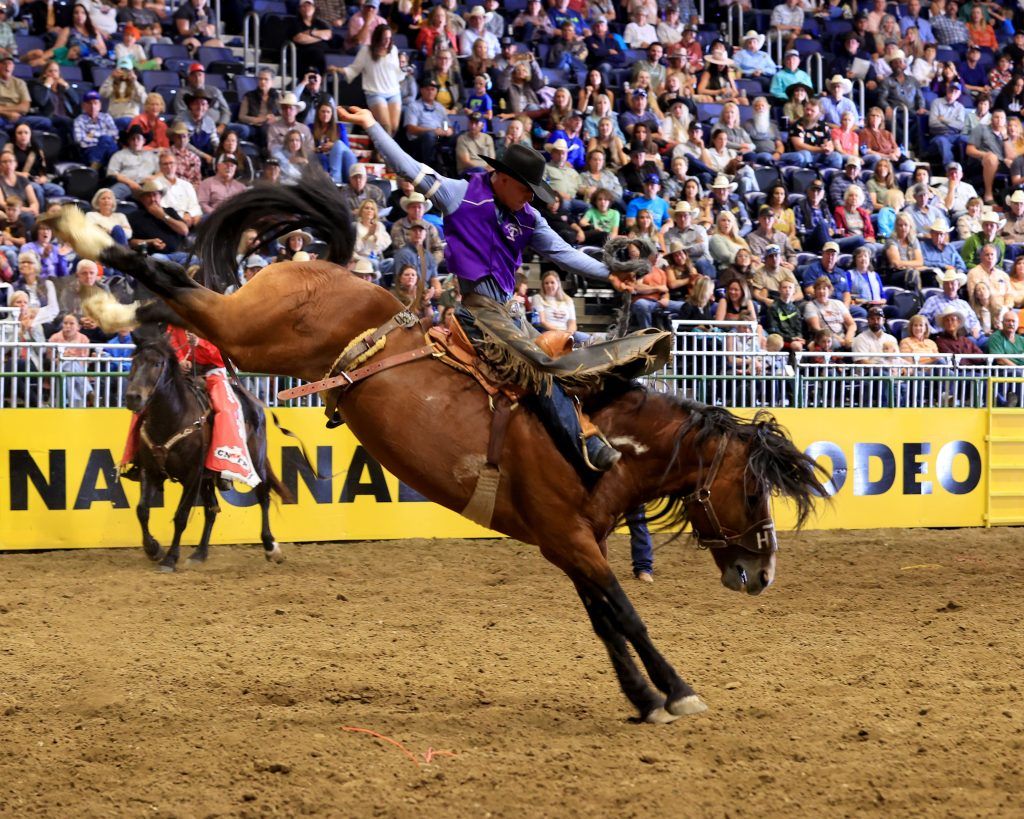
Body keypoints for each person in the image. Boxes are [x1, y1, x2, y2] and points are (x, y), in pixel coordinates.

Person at [341, 104, 663, 472]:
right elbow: (408, 166)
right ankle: (583, 439)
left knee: (562, 352)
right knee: (536, 363)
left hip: (509, 310)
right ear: (504, 178)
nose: (532, 198)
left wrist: (609, 275)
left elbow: (563, 252)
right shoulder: (458, 194)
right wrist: (371, 125)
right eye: (529, 189)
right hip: (479, 310)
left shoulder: (529, 217)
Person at [121, 323, 259, 488]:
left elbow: (221, 357)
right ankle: (138, 460)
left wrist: (199, 343)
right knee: (144, 407)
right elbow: (170, 346)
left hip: (212, 373)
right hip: (182, 374)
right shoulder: (174, 323)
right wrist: (179, 360)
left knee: (226, 409)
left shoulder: (213, 323)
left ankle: (225, 466)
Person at [341, 24, 403, 135]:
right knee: (386, 127)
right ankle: (382, 152)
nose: (387, 41)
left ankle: (381, 152)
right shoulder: (366, 51)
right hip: (375, 93)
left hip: (394, 92)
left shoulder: (393, 50)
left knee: (394, 127)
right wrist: (339, 70)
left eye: (389, 38)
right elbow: (354, 69)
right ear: (377, 38)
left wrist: (405, 70)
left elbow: (397, 72)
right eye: (384, 38)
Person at [532, 270, 588, 345]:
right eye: (546, 283)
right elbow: (542, 322)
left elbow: (572, 323)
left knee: (590, 339)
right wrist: (561, 333)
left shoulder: (568, 300)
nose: (549, 285)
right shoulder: (538, 298)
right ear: (543, 285)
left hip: (567, 333)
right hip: (548, 332)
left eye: (552, 282)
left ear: (558, 284)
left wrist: (569, 333)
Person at [804, 276, 857, 350]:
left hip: (843, 335)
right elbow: (817, 328)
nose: (821, 291)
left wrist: (848, 337)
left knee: (858, 343)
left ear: (829, 290)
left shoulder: (838, 303)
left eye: (824, 288)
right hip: (825, 338)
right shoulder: (811, 306)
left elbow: (852, 324)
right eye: (818, 289)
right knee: (833, 343)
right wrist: (836, 338)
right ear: (815, 291)